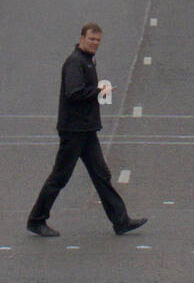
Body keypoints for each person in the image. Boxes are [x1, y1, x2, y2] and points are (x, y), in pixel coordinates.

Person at [27, 24, 147, 238]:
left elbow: (82, 93)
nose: (95, 43)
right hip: (74, 130)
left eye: (98, 40)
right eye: (91, 39)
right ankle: (36, 220)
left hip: (86, 130)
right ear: (82, 38)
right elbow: (74, 93)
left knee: (101, 175)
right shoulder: (75, 62)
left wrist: (97, 92)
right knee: (60, 177)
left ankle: (121, 221)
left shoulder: (87, 61)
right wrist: (99, 91)